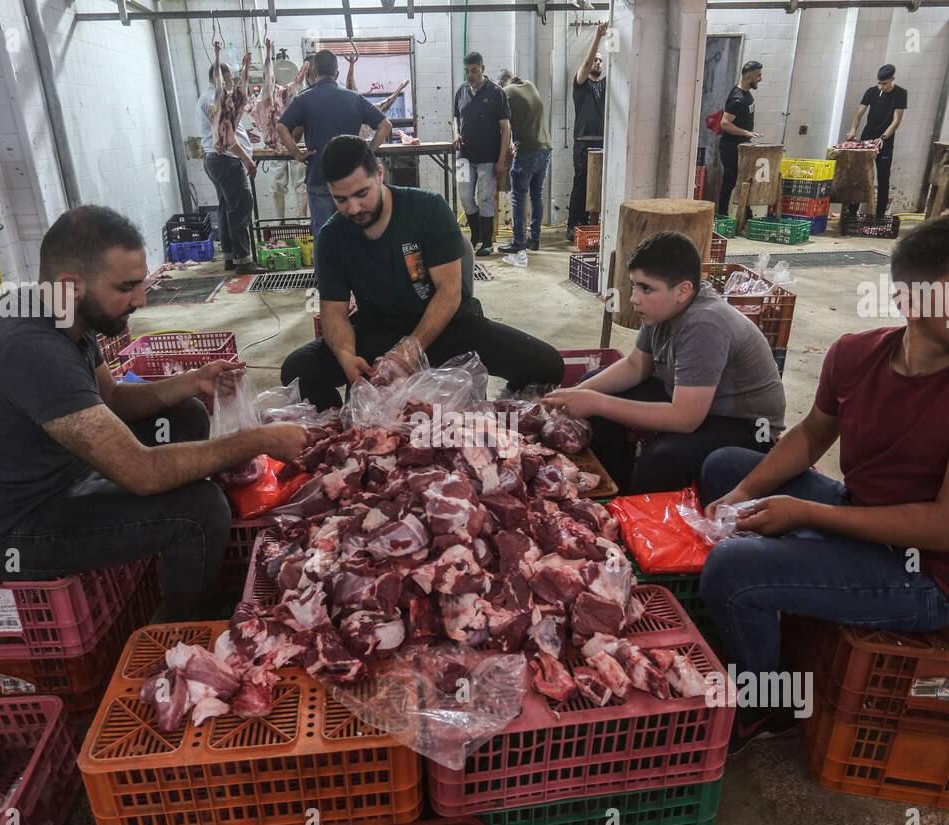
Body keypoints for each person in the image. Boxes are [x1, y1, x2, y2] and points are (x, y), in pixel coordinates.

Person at [697, 213, 949, 750]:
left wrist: (809, 515)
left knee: (734, 570)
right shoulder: (856, 354)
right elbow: (812, 434)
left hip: (928, 576)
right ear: (913, 302)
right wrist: (744, 493)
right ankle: (780, 588)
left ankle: (769, 705)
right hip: (861, 513)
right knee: (725, 464)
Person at [0, 206, 307, 621]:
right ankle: (183, 631)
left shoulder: (60, 310)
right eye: (126, 287)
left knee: (185, 415)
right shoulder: (31, 348)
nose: (141, 300)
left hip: (58, 476)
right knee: (200, 511)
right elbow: (139, 473)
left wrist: (193, 381)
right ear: (70, 284)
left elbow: (109, 397)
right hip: (10, 532)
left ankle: (172, 557)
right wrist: (259, 440)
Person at [280, 136, 564, 411]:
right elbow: (334, 313)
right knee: (297, 370)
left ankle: (507, 419)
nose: (353, 208)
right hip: (378, 331)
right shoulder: (332, 236)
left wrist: (410, 349)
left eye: (361, 193)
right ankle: (343, 437)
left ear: (379, 174)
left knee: (547, 365)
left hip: (446, 328)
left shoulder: (427, 209)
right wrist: (345, 355)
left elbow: (449, 293)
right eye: (340, 199)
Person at [541, 232, 785, 494]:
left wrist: (596, 402)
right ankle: (613, 487)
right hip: (694, 399)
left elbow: (685, 419)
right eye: (634, 285)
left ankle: (633, 508)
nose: (634, 297)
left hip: (745, 426)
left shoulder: (705, 323)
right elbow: (636, 366)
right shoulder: (662, 311)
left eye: (646, 288)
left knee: (662, 459)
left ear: (683, 291)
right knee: (592, 385)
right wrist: (578, 393)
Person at [276, 49, 393, 239]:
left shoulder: (304, 99)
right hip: (353, 180)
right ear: (337, 73)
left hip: (319, 176)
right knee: (355, 235)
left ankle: (327, 269)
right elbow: (385, 125)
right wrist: (369, 150)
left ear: (313, 72)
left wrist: (297, 154)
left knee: (324, 235)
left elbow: (281, 127)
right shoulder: (354, 98)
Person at [197, 59, 266, 274]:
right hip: (226, 160)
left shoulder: (207, 97)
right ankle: (244, 261)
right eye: (229, 79)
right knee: (241, 208)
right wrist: (247, 159)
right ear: (223, 77)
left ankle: (230, 257)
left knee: (227, 208)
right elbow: (227, 138)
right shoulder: (215, 99)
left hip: (215, 160)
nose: (231, 84)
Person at [454, 52, 512, 257]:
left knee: (485, 197)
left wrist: (501, 160)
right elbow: (455, 118)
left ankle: (487, 242)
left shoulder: (496, 93)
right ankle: (476, 235)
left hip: (488, 157)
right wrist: (456, 133)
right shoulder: (461, 90)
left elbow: (506, 128)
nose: (471, 75)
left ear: (482, 68)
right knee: (465, 196)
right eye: (467, 71)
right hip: (463, 156)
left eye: (474, 70)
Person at [497, 69, 552, 253]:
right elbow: (526, 117)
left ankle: (518, 241)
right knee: (537, 195)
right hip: (545, 149)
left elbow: (504, 126)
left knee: (518, 197)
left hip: (527, 150)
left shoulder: (505, 92)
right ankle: (534, 240)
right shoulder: (530, 85)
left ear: (501, 83)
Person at [844, 64, 907, 217]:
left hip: (885, 139)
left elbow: (897, 120)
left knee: (883, 177)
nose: (881, 86)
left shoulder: (900, 93)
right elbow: (859, 113)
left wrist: (883, 138)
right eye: (879, 83)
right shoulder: (872, 91)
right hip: (868, 136)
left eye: (884, 83)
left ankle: (879, 216)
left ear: (892, 79)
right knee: (860, 175)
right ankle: (852, 212)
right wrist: (853, 129)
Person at [567, 22, 608, 242]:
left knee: (598, 188)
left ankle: (591, 227)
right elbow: (585, 62)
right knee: (581, 184)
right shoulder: (581, 83)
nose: (598, 62)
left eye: (601, 60)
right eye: (595, 59)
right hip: (583, 143)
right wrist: (598, 37)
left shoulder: (604, 85)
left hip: (603, 143)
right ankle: (574, 225)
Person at [718, 61, 763, 218]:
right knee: (730, 181)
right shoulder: (737, 98)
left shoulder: (745, 94)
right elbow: (724, 123)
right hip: (731, 146)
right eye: (758, 75)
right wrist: (745, 132)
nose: (760, 78)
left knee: (744, 180)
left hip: (741, 145)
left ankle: (746, 215)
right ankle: (722, 216)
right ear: (749, 76)